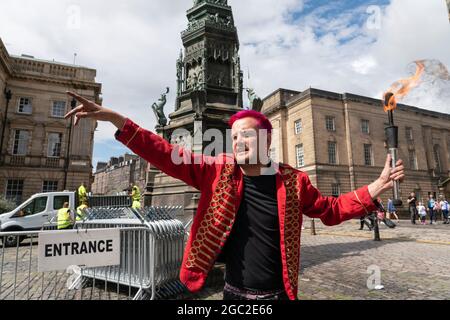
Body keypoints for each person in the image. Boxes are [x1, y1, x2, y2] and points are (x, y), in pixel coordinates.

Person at [65, 91, 405, 301]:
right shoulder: (216, 171)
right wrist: (117, 120)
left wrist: (374, 189)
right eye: (235, 137)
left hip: (282, 294)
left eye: (246, 136)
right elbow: (166, 154)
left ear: (265, 142)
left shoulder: (293, 181)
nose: (238, 142)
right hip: (235, 294)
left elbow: (330, 209)